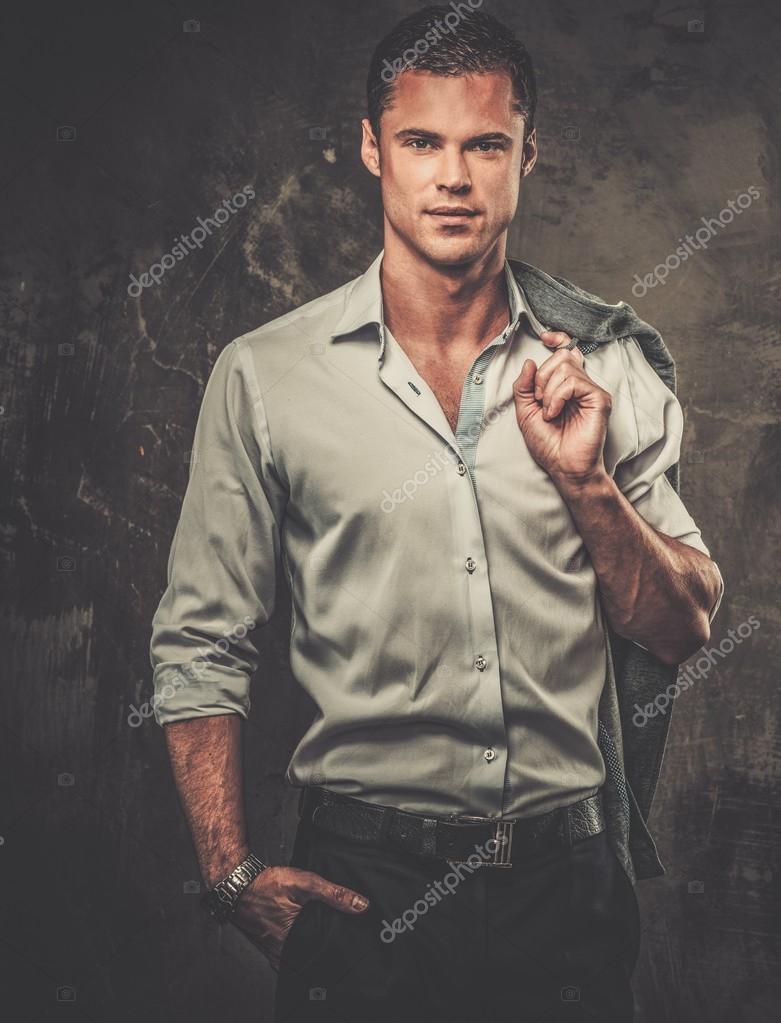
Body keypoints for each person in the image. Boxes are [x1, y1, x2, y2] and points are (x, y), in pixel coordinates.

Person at [149, 6, 724, 1022]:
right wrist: (228, 872)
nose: (452, 177)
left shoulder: (602, 366)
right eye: (421, 141)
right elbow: (202, 637)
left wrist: (586, 483)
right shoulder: (266, 376)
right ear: (373, 148)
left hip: (569, 888)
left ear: (526, 154)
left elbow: (681, 627)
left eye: (483, 144)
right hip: (363, 886)